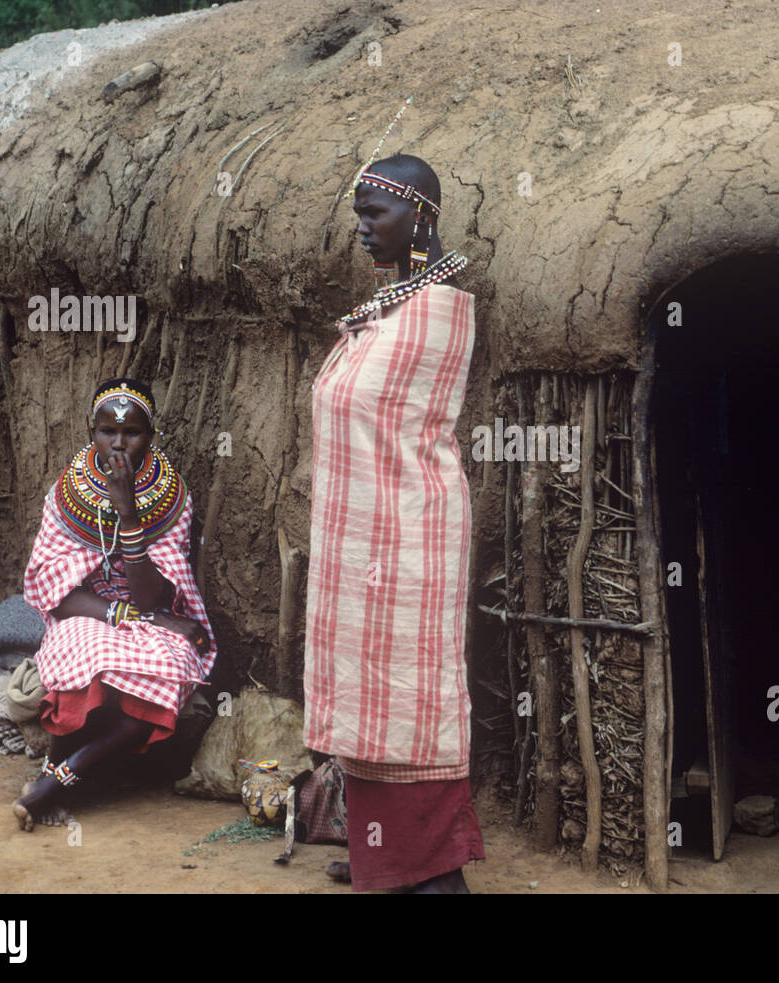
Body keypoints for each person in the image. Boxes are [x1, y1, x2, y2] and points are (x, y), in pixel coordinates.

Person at [302, 153, 484, 892]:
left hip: (411, 543)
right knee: (370, 695)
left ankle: (430, 869)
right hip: (363, 547)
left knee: (411, 699)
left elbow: (398, 419)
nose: (362, 230)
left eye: (373, 214)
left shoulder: (436, 312)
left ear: (421, 215)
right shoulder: (395, 306)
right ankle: (387, 853)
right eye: (358, 215)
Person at [13, 378, 215, 831]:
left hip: (157, 615)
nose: (119, 443)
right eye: (108, 431)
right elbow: (57, 594)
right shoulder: (67, 494)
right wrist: (121, 615)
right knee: (90, 652)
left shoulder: (171, 496)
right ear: (91, 432)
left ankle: (54, 783)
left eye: (133, 432)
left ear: (153, 435)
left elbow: (151, 595)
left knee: (166, 672)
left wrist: (128, 512)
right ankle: (57, 777)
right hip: (88, 612)